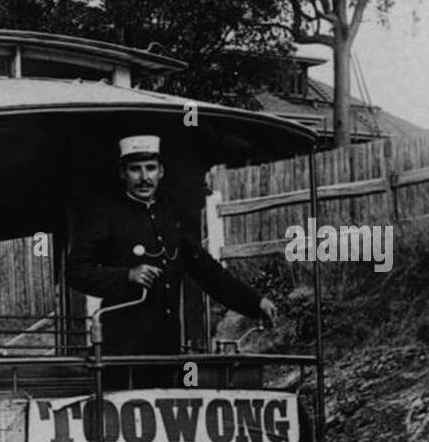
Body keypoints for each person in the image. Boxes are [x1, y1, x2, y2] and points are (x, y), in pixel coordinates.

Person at [67, 135, 278, 358]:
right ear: (122, 173)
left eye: (150, 168)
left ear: (161, 172)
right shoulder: (106, 216)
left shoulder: (170, 218)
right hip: (122, 350)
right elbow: (76, 271)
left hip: (166, 347)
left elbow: (209, 272)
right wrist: (126, 276)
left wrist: (255, 302)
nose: (144, 178)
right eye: (135, 169)